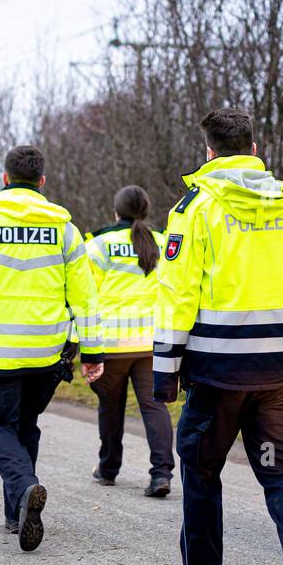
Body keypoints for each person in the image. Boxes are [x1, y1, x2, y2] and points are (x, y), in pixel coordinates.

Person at [155, 109, 283, 565]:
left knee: (201, 468)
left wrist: (165, 372)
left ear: (209, 152)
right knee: (281, 471)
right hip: (280, 370)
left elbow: (176, 294)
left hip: (217, 373)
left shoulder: (195, 208)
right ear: (253, 148)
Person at [0, 145, 104, 552]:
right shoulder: (65, 229)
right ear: (42, 181)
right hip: (46, 353)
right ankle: (16, 512)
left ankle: (25, 487)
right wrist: (94, 352)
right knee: (26, 424)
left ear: (5, 178)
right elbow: (85, 297)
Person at [85, 186, 175, 498]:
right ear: (146, 211)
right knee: (154, 407)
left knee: (110, 407)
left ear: (116, 211)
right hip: (152, 343)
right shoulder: (164, 242)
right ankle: (161, 473)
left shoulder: (98, 245)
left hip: (111, 343)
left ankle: (108, 469)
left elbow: (86, 297)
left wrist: (81, 343)